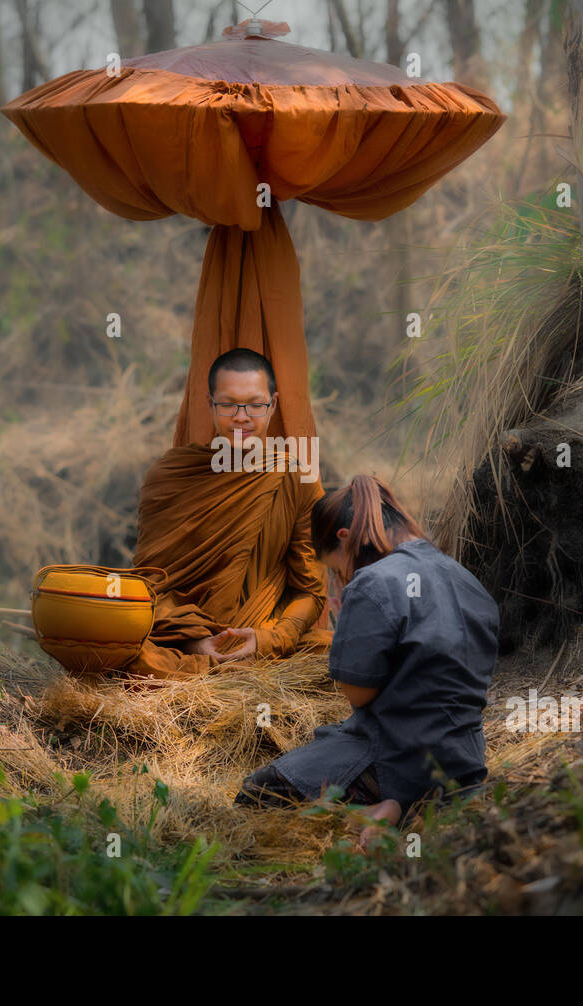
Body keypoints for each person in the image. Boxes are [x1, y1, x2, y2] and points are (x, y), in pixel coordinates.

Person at [234, 475, 499, 847]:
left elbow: (358, 692)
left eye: (335, 567)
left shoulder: (373, 582)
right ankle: (405, 807)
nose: (340, 577)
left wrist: (345, 617)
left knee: (258, 795)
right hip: (463, 761)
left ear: (344, 538)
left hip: (398, 756)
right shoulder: (466, 578)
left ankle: (390, 805)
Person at [124, 348, 330, 680]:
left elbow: (310, 589)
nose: (241, 417)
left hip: (263, 645)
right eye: (228, 404)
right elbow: (151, 583)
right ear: (210, 404)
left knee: (341, 656)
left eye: (255, 404)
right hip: (180, 643)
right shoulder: (172, 475)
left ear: (273, 404)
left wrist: (268, 640)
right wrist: (196, 642)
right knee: (124, 655)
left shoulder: (296, 478)